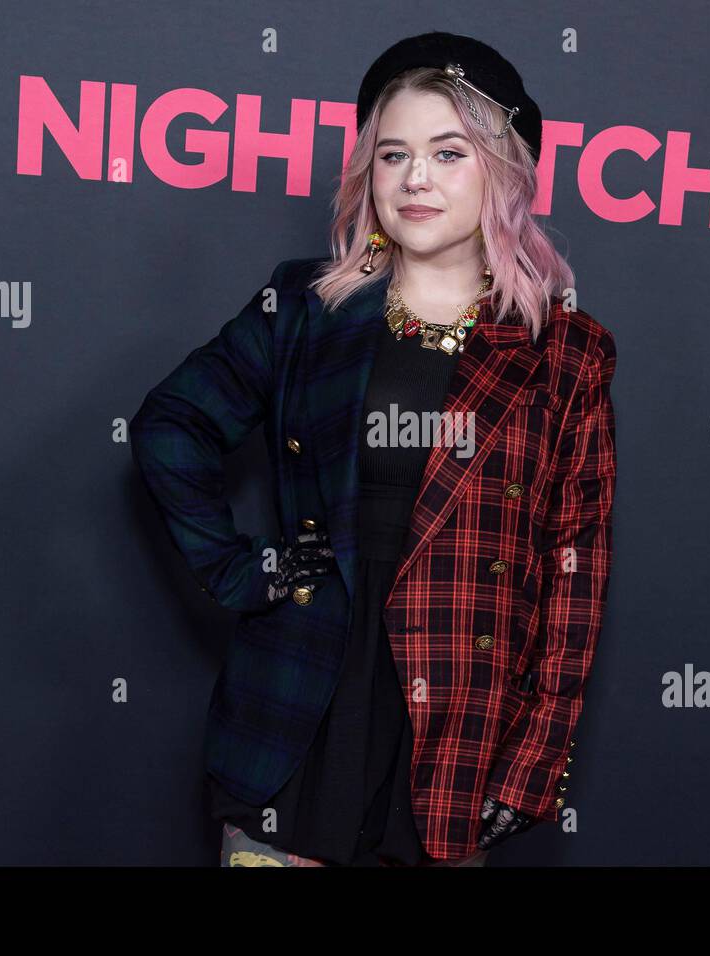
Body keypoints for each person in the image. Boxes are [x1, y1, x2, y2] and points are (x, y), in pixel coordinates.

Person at [129, 30, 616, 867]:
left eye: (447, 152)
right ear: (368, 175)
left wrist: (534, 763)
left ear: (504, 169)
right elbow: (169, 426)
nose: (415, 178)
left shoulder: (565, 352)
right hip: (291, 720)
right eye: (393, 155)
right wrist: (247, 571)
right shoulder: (306, 308)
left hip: (451, 746)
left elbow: (577, 566)